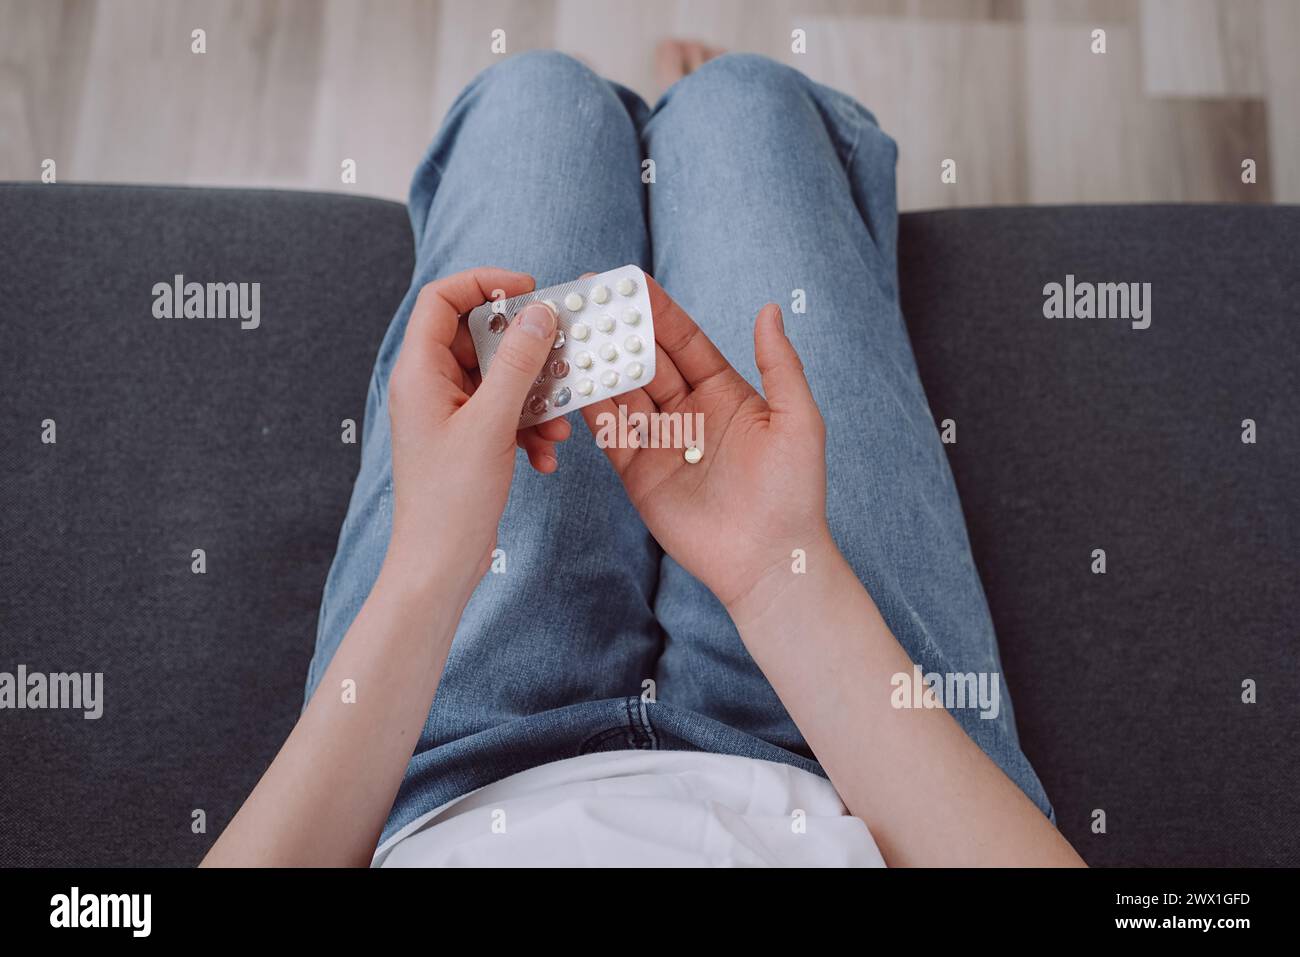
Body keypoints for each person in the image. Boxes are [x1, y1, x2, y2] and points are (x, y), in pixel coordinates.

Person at [202, 42, 1084, 868]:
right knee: (745, 104)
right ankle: (686, 120)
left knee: (542, 99)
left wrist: (432, 563)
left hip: (444, 769)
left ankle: (648, 133)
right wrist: (783, 575)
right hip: (852, 781)